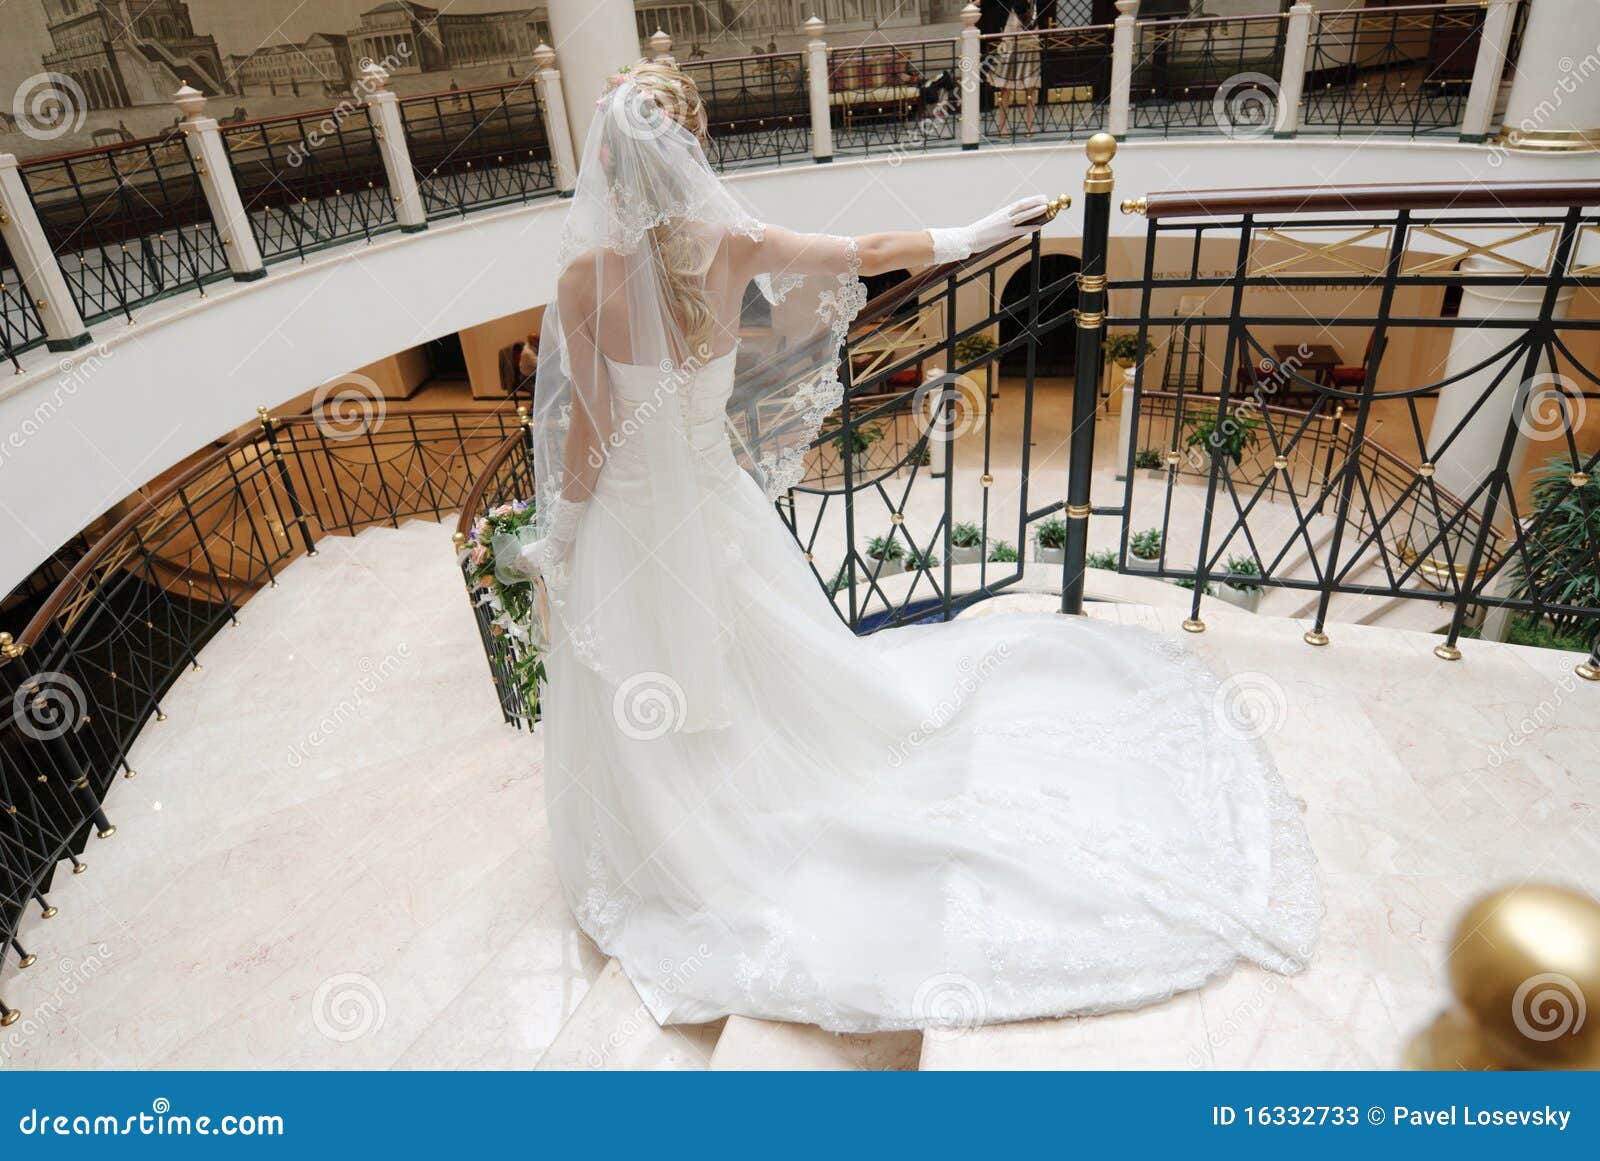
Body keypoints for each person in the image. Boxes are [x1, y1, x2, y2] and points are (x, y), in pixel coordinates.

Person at [496, 59, 1319, 1032]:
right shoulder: (730, 244)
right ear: (691, 151)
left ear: (607, 164)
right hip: (716, 510)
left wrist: (559, 543)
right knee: (753, 660)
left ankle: (678, 841)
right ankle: (741, 801)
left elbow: (587, 442)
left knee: (653, 681)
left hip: (634, 528)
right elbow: (862, 247)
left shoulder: (585, 278)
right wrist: (970, 235)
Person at [991, 0, 1042, 137]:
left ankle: (1030, 127)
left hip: (1031, 48)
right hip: (1010, 49)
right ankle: (1002, 128)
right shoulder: (1012, 5)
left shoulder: (1036, 5)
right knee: (1005, 89)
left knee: (1031, 88)